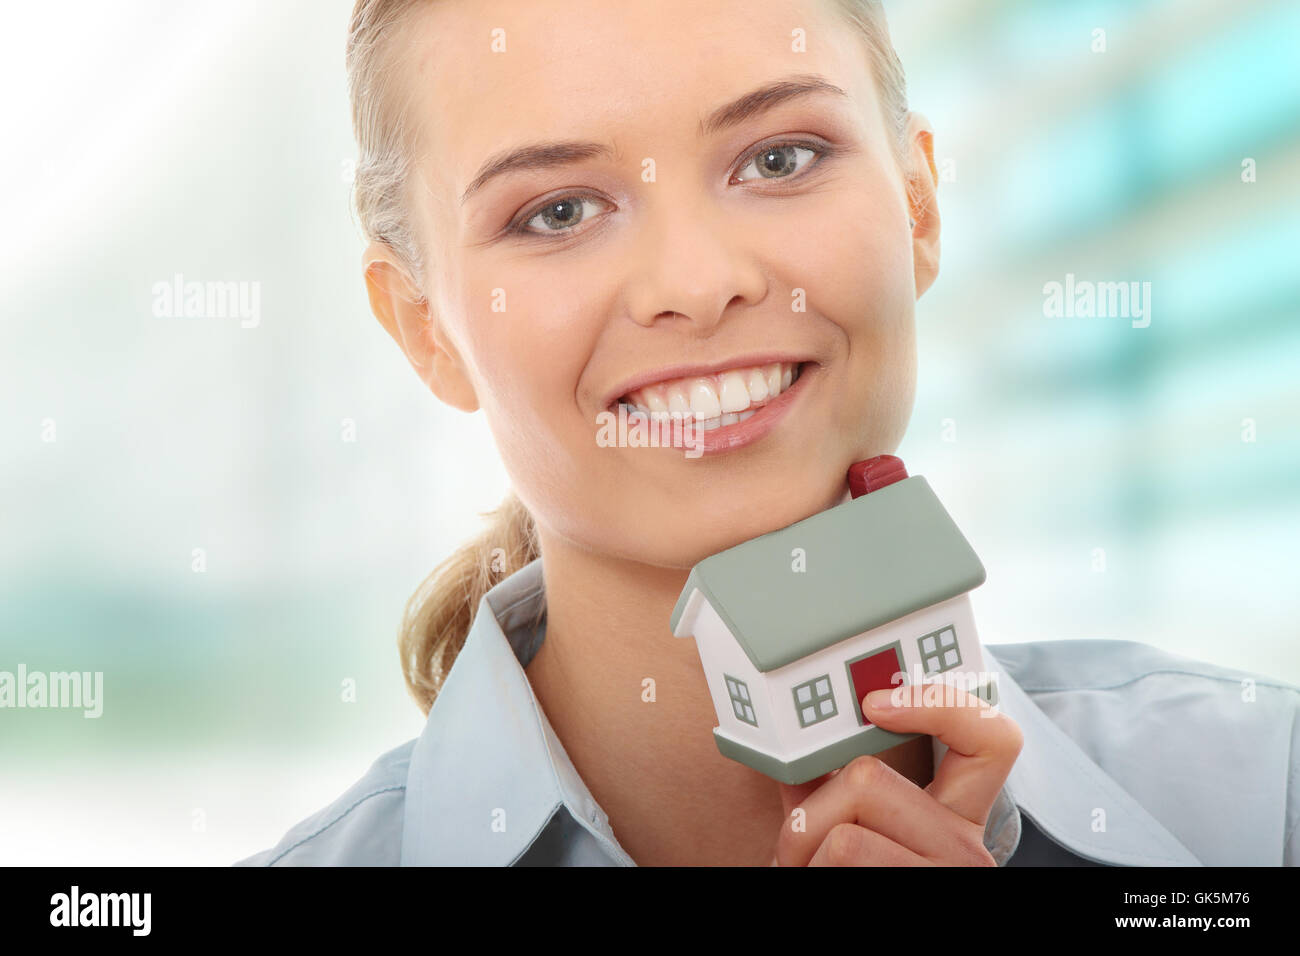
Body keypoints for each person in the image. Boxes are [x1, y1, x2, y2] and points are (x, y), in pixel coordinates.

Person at [237, 0, 1299, 866]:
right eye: (557, 211)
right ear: (427, 328)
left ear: (919, 207)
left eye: (780, 158)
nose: (699, 285)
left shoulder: (1262, 795)